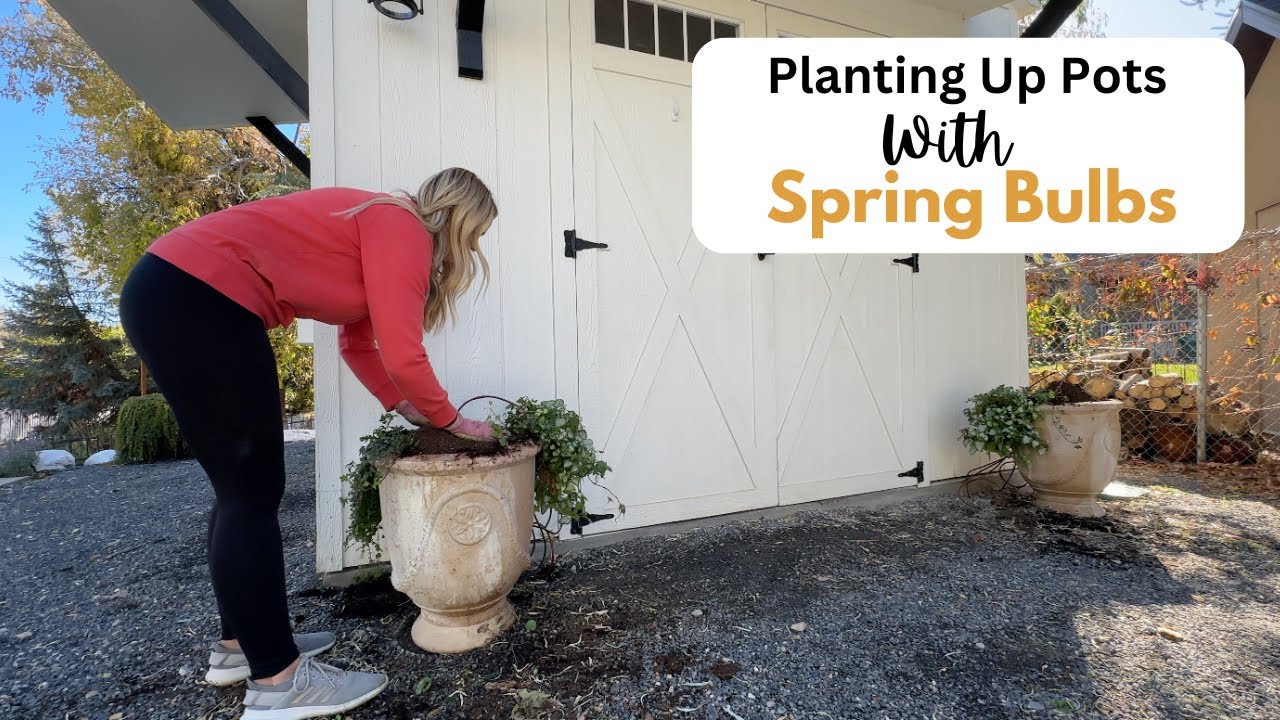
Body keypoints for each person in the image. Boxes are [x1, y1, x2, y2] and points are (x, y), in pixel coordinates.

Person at [118, 167, 499, 719]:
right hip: (197, 296)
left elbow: (360, 344)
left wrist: (406, 407)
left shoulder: (380, 224)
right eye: (477, 234)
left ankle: (239, 649)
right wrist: (454, 421)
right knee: (249, 492)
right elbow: (403, 350)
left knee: (240, 490)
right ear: (465, 220)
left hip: (178, 291)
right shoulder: (403, 227)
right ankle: (279, 681)